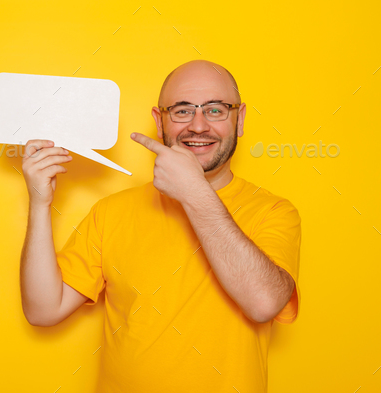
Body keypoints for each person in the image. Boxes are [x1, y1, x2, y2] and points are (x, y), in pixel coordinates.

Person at [19, 59, 301, 393]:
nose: (198, 126)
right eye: (182, 111)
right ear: (159, 121)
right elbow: (43, 309)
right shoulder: (112, 212)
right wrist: (39, 203)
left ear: (239, 120)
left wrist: (194, 193)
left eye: (215, 110)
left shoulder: (274, 212)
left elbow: (264, 304)